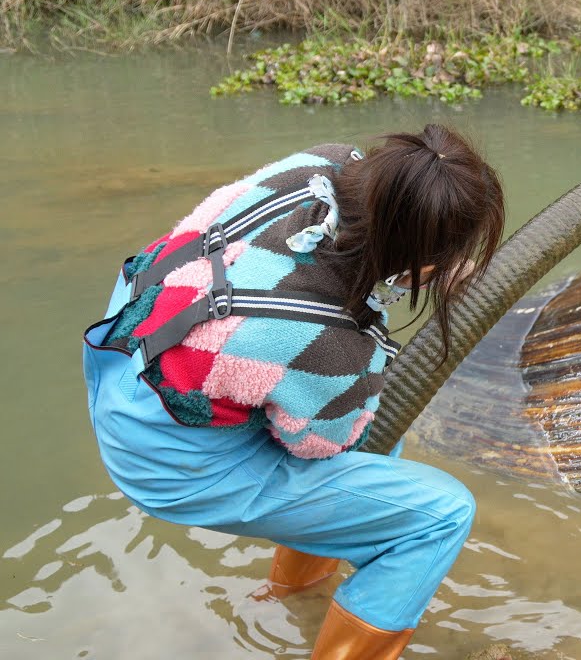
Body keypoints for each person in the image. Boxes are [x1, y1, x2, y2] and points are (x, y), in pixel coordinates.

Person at [81, 124, 506, 659]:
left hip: (132, 358)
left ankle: (287, 598)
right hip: (166, 461)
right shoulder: (322, 342)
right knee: (439, 516)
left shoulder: (321, 164)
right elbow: (318, 446)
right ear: (418, 261)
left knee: (376, 437)